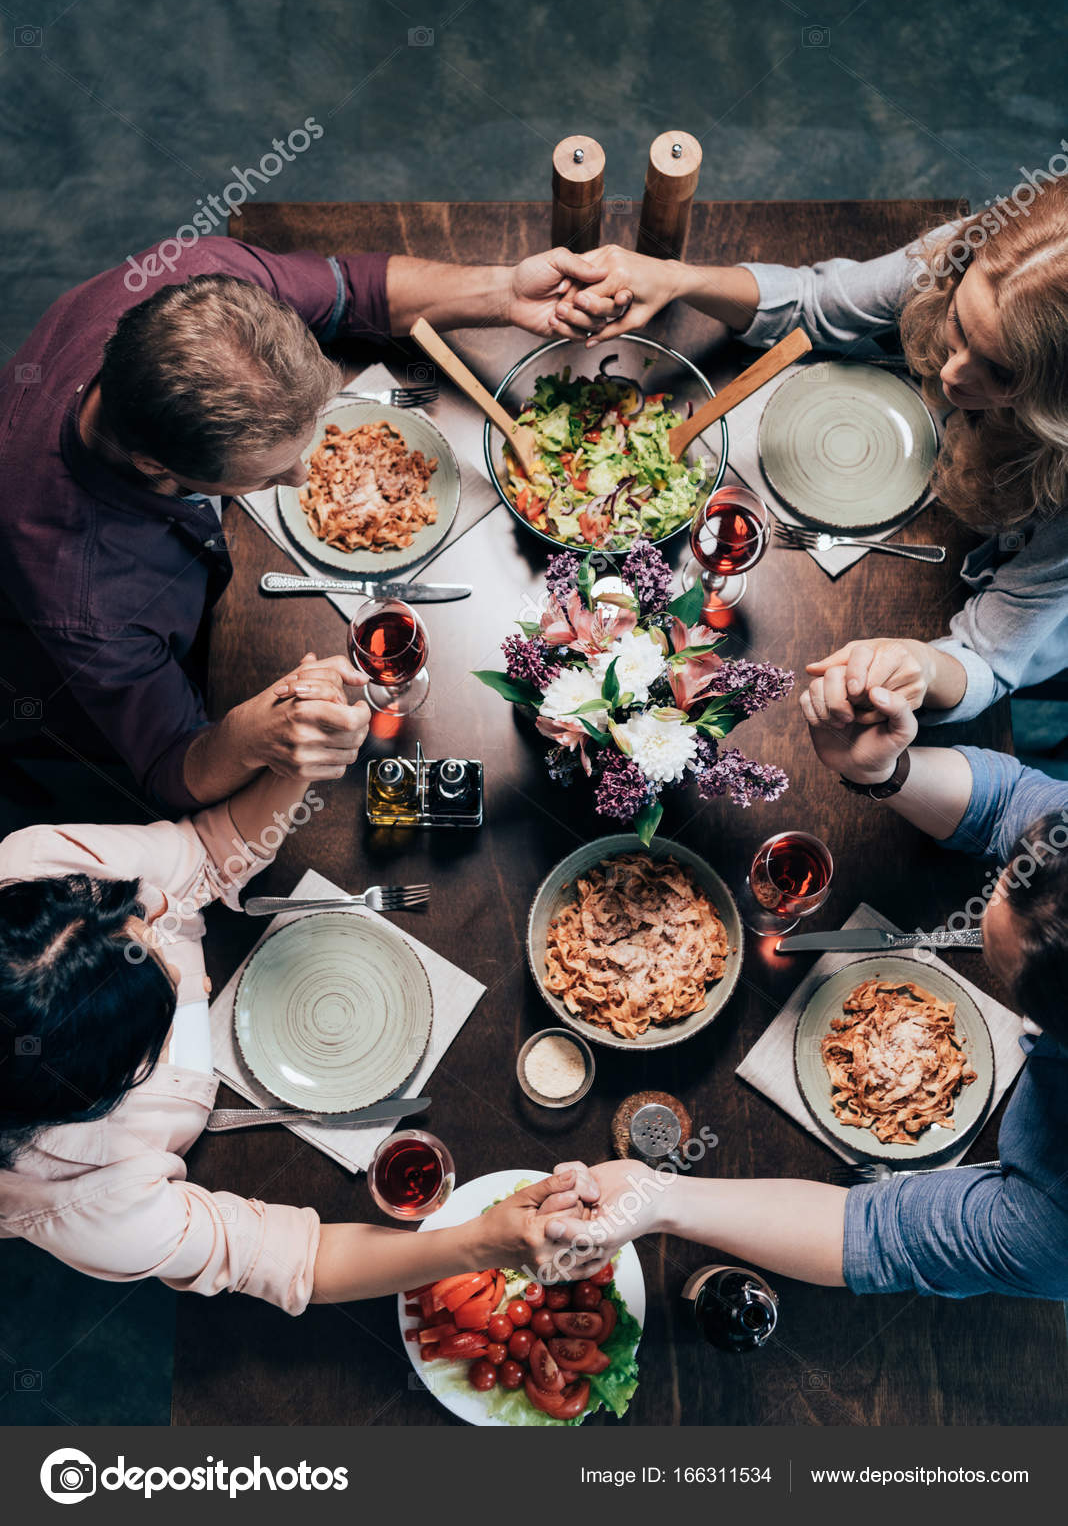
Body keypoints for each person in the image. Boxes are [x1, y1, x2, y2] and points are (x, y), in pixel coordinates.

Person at [0, 671, 605, 1309]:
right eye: (164, 1012)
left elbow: (206, 851)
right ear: (101, 1086)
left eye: (136, 915)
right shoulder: (87, 1208)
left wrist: (301, 754)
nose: (199, 979)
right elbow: (300, 1260)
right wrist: (483, 1240)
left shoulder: (36, 867)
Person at [0, 236, 627, 810]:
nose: (303, 479)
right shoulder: (85, 597)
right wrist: (250, 736)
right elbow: (168, 766)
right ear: (154, 466)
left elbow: (353, 289)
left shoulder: (204, 284)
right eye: (270, 476)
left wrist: (503, 292)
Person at [546, 686, 1068, 1300]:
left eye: (1009, 985)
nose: (992, 901)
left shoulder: (1052, 1231)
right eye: (1011, 875)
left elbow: (882, 1233)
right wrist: (889, 770)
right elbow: (1010, 801)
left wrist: (662, 1198)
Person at [551, 179, 1068, 723]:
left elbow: (990, 661)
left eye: (1003, 372)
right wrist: (680, 278)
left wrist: (925, 666)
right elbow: (815, 302)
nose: (949, 374)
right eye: (958, 326)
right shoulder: (968, 253)